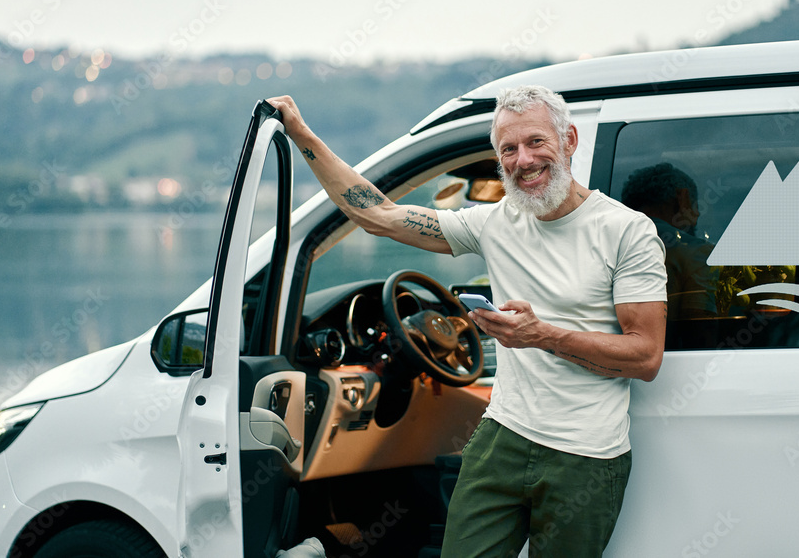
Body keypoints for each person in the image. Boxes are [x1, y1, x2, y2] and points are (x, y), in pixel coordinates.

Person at [267, 85, 667, 557]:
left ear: (570, 140)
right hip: (503, 437)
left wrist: (542, 336)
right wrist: (300, 133)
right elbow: (379, 214)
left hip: (587, 455)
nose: (522, 160)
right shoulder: (496, 222)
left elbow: (645, 356)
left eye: (536, 142)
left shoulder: (627, 231)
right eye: (508, 150)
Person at [620, 163, 718, 320]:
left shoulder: (605, 246)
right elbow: (701, 329)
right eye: (695, 205)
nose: (698, 214)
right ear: (683, 199)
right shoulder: (696, 252)